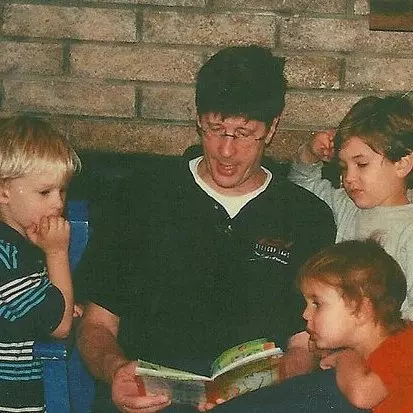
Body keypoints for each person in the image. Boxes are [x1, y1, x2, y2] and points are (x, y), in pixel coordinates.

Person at [75, 45, 336, 413]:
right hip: (148, 400)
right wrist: (115, 371)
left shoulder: (306, 215)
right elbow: (97, 324)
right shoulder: (138, 196)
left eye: (244, 134)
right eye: (215, 129)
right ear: (198, 120)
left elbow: (303, 345)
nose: (226, 151)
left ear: (272, 127)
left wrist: (267, 390)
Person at [288, 95, 413, 320]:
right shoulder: (345, 204)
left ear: (402, 163)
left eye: (361, 164)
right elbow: (302, 188)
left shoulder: (408, 228)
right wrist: (309, 153)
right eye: (344, 167)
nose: (349, 178)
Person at [0, 115, 81, 412]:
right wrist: (57, 253)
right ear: (3, 191)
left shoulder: (17, 245)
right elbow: (59, 327)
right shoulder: (7, 258)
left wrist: (57, 301)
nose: (58, 203)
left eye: (62, 191)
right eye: (44, 192)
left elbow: (33, 310)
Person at [298, 239, 413, 412]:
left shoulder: (405, 343)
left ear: (361, 310)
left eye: (317, 304)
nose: (305, 314)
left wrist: (344, 357)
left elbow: (362, 394)